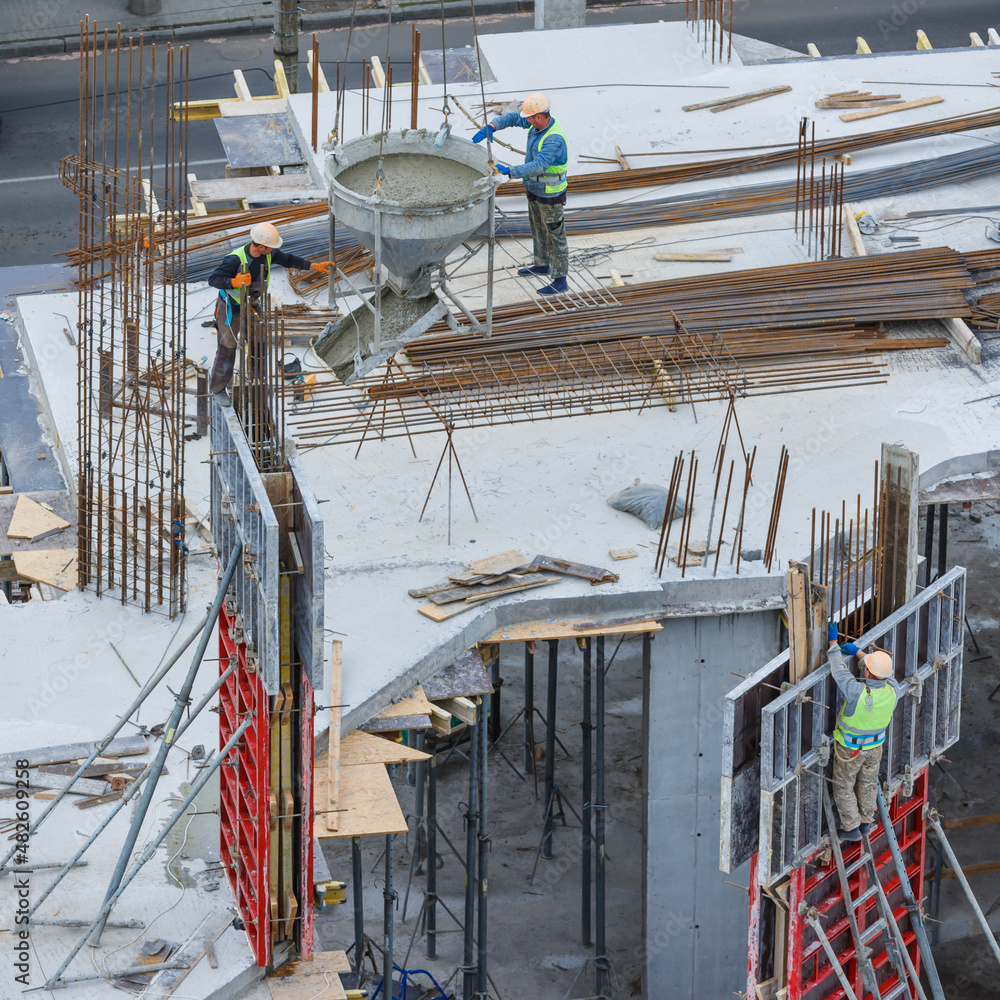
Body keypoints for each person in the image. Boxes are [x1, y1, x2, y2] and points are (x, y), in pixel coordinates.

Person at [207, 222, 331, 405]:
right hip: (230, 307)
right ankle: (218, 389)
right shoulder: (235, 259)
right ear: (261, 246)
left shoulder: (269, 253)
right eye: (271, 246)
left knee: (259, 344)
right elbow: (213, 279)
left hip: (252, 304)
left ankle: (256, 384)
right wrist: (233, 281)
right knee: (227, 348)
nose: (274, 250)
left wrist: (314, 266)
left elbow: (289, 259)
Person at [472, 92, 570, 296]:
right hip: (534, 189)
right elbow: (515, 118)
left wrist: (510, 171)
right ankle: (542, 264)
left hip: (550, 194)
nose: (527, 120)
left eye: (530, 117)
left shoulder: (553, 139)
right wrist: (493, 126)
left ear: (540, 116)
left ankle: (560, 279)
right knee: (538, 229)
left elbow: (540, 165)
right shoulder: (538, 125)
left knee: (555, 235)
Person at [826, 623, 900, 841]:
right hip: (874, 747)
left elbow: (839, 671)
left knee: (844, 785)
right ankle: (866, 822)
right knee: (867, 784)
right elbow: (880, 672)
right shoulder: (893, 688)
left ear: (866, 671)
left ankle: (851, 828)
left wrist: (833, 644)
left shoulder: (857, 691)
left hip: (851, 749)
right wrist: (859, 652)